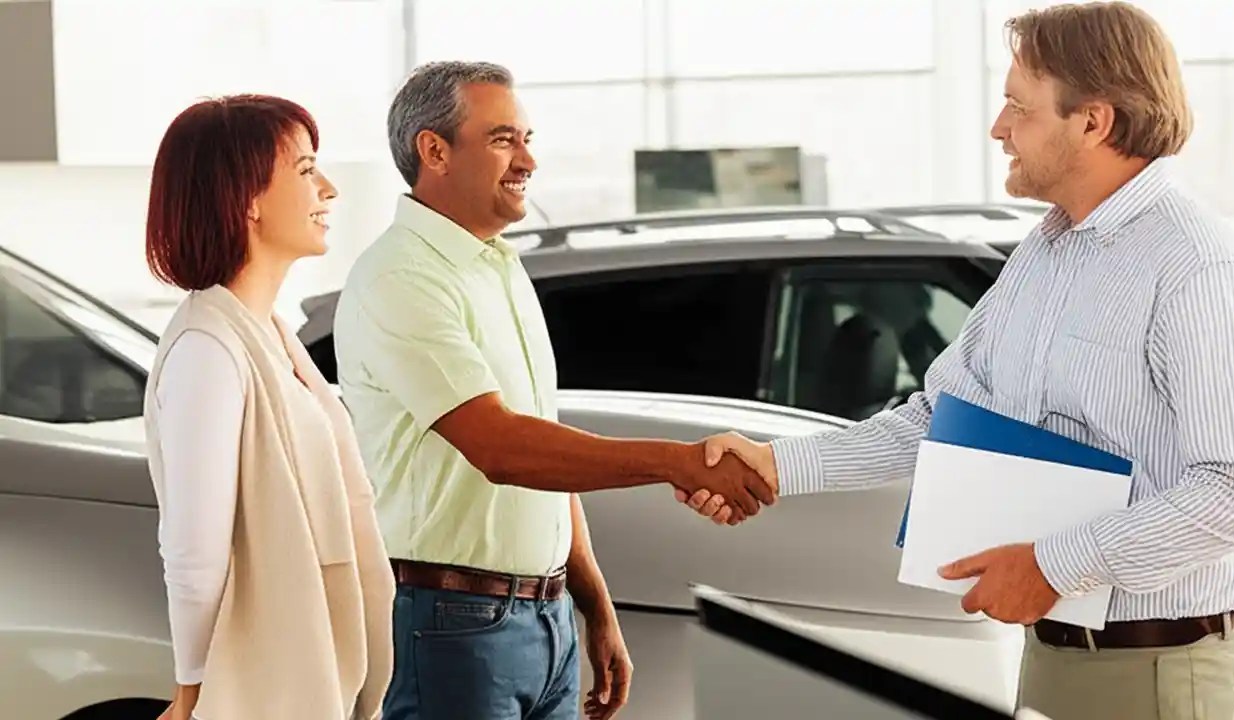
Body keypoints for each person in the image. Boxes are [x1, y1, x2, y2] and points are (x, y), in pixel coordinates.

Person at [681, 3, 1234, 719]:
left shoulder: (1196, 266)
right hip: (1055, 655)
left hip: (1165, 676)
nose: (999, 129)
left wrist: (1052, 565)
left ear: (1094, 121)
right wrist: (777, 465)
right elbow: (941, 417)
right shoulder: (1044, 252)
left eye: (1018, 109)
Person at [332, 61, 775, 720]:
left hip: (545, 620)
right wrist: (675, 461)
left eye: (528, 137)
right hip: (450, 626)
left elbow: (544, 446)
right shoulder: (400, 277)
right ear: (434, 150)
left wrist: (593, 606)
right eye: (504, 138)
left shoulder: (500, 266)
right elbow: (503, 448)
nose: (529, 159)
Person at [143, 95, 395, 720]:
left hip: (312, 665)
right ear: (246, 198)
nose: (329, 189)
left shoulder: (271, 333)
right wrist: (194, 688)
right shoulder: (208, 347)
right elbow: (194, 544)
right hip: (259, 686)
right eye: (307, 170)